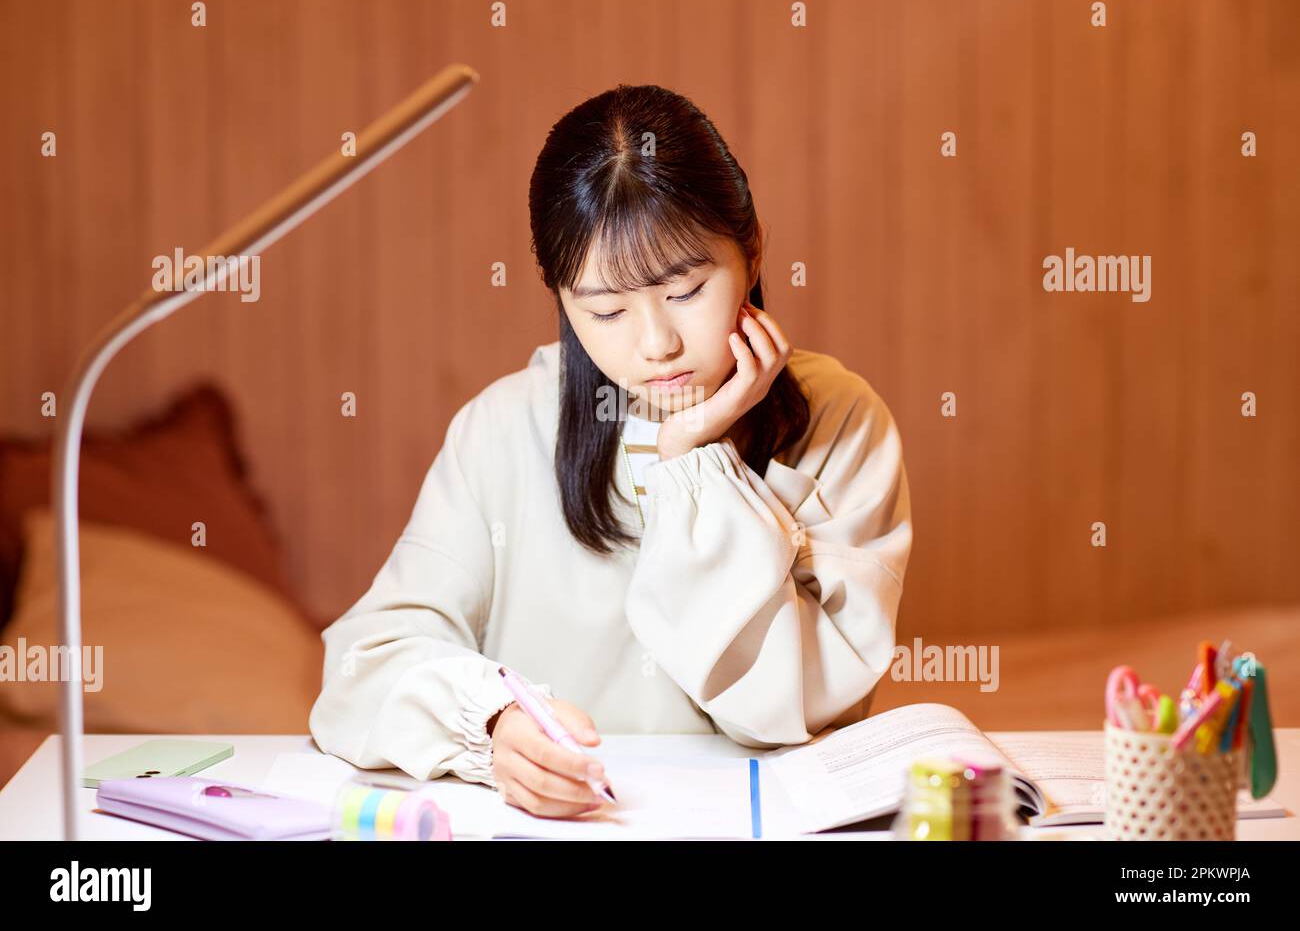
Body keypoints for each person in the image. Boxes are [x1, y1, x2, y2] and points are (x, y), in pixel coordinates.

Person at [309, 84, 913, 820]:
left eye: (686, 290)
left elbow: (794, 711)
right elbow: (360, 669)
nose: (657, 344)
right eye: (606, 310)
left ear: (752, 254)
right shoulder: (504, 429)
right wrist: (490, 726)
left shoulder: (845, 422)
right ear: (560, 297)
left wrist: (691, 457)